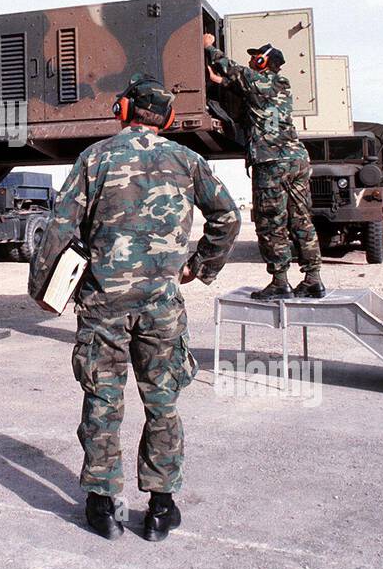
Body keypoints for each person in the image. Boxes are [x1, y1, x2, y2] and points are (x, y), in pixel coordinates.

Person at [29, 75, 240, 542]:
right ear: (165, 117)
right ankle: (161, 508)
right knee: (162, 401)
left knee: (103, 398)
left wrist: (45, 289)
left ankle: (103, 505)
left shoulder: (95, 158)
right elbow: (227, 216)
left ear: (124, 110)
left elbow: (59, 227)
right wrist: (199, 265)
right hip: (161, 303)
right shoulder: (188, 160)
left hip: (103, 304)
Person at [203, 33, 324, 301]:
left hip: (272, 161)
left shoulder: (259, 80)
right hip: (297, 159)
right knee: (301, 220)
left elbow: (232, 69)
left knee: (271, 223)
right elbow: (240, 84)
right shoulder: (278, 86)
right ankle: (313, 279)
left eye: (254, 57)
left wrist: (209, 47)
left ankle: (280, 282)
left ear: (262, 61)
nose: (249, 60)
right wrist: (222, 82)